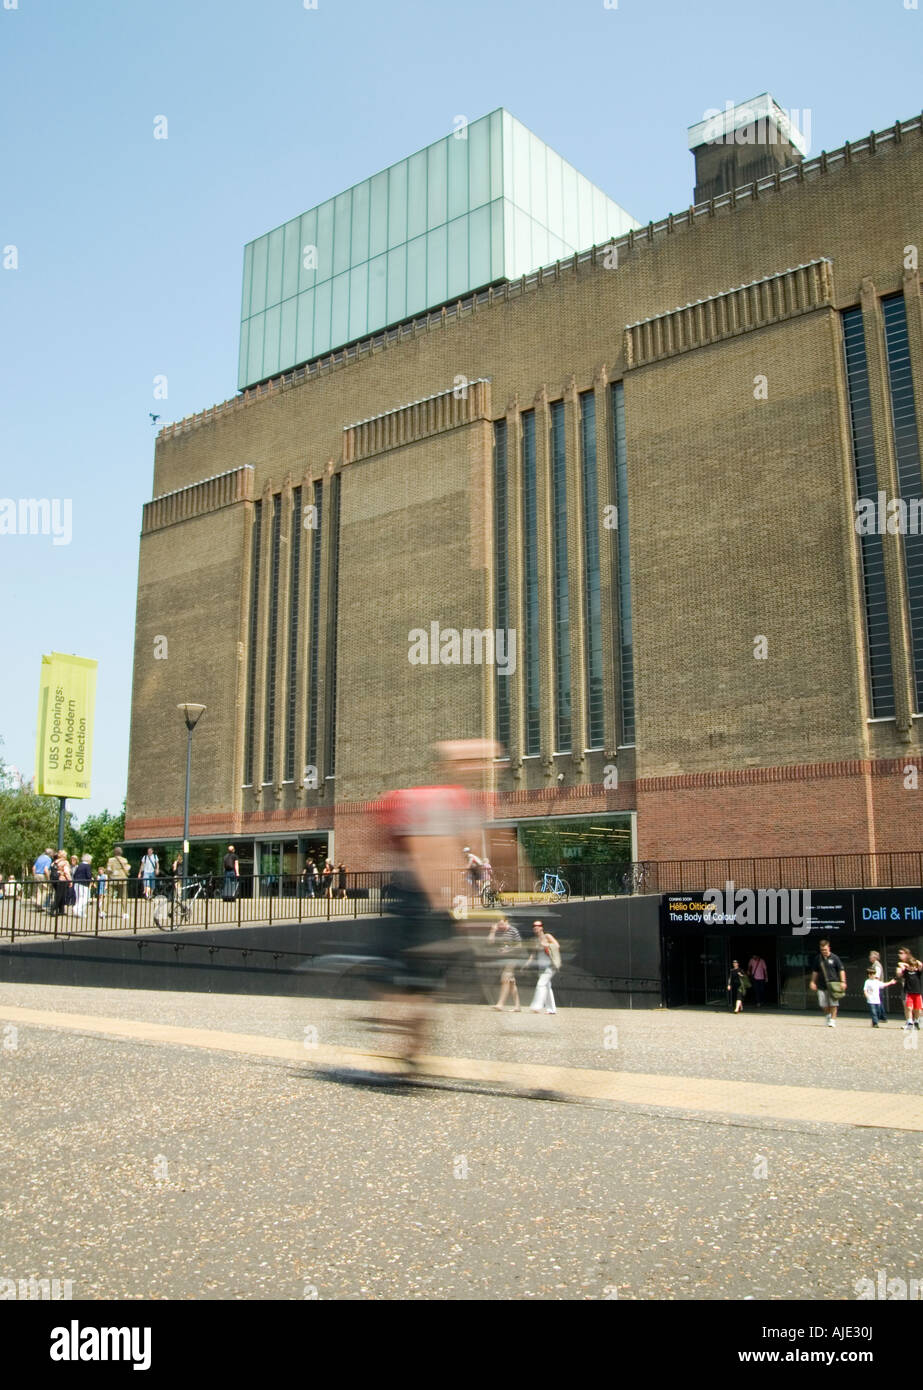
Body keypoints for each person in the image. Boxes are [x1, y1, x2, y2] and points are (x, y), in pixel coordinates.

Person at [488, 916, 522, 1011]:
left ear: (506, 922)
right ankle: (517, 1006)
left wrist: (508, 950)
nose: (500, 926)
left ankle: (500, 1004)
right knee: (511, 982)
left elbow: (519, 946)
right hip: (503, 960)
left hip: (513, 958)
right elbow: (490, 942)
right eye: (498, 924)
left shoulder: (513, 931)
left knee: (505, 978)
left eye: (502, 924)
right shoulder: (498, 930)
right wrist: (492, 931)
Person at [810, 938, 846, 1027]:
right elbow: (815, 971)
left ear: (829, 948)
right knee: (823, 1004)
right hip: (821, 985)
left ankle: (833, 1020)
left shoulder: (835, 958)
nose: (824, 951)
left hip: (833, 985)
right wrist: (812, 982)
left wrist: (843, 981)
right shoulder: (818, 959)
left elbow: (841, 970)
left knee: (833, 1003)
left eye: (825, 949)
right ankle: (828, 1015)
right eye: (822, 950)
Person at [529, 920, 561, 1014]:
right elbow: (533, 954)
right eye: (534, 926)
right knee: (547, 987)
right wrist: (526, 964)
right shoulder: (535, 940)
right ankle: (551, 1009)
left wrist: (545, 944)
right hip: (541, 967)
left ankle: (537, 1006)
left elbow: (557, 946)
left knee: (540, 984)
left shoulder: (547, 936)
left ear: (542, 927)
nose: (536, 927)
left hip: (551, 966)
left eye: (538, 926)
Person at [889, 947, 923, 1031]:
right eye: (899, 953)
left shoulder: (915, 966)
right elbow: (899, 973)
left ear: (907, 953)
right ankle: (909, 1022)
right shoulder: (905, 970)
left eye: (901, 953)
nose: (899, 954)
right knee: (907, 1007)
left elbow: (920, 965)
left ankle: (917, 1022)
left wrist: (912, 963)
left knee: (917, 1008)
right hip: (907, 989)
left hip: (916, 991)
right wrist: (906, 967)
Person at [106, 846, 131, 919]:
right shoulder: (124, 860)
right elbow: (127, 869)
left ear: (114, 852)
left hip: (113, 879)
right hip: (122, 879)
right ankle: (125, 912)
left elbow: (109, 870)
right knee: (124, 896)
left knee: (109, 895)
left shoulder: (110, 860)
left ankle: (104, 911)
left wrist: (108, 873)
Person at [50, 851, 71, 918]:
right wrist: (70, 881)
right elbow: (66, 872)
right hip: (62, 880)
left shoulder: (54, 862)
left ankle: (61, 910)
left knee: (60, 895)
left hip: (54, 880)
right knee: (59, 895)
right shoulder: (65, 862)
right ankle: (53, 909)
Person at [869, 951, 887, 1024]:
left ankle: (881, 1017)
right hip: (878, 986)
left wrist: (873, 985)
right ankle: (882, 1017)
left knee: (878, 1002)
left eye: (870, 956)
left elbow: (877, 976)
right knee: (880, 1001)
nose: (869, 957)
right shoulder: (875, 965)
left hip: (877, 987)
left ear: (874, 957)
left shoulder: (877, 965)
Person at [73, 854, 93, 918]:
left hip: (76, 883)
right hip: (84, 884)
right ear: (89, 860)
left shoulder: (79, 865)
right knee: (85, 897)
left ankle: (80, 912)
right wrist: (91, 879)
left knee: (79, 897)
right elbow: (88, 875)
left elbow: (75, 875)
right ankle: (77, 908)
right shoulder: (87, 866)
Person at [32, 847, 53, 911]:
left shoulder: (40, 857)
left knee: (38, 890)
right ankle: (40, 904)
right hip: (43, 875)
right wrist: (48, 879)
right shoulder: (48, 859)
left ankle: (37, 902)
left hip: (36, 875)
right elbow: (46, 870)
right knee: (45, 890)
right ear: (50, 853)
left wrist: (34, 875)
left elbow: (33, 867)